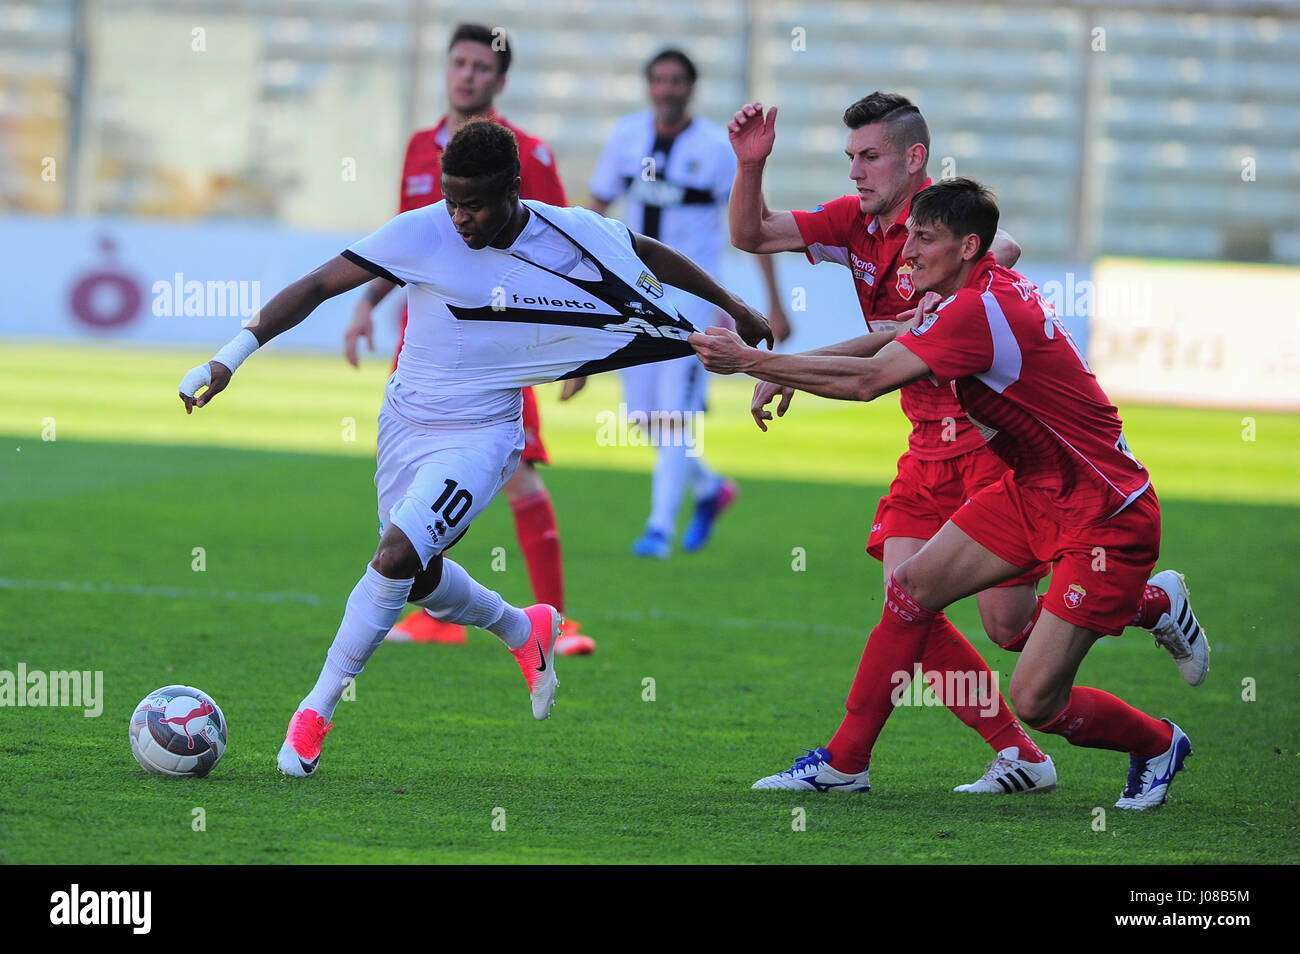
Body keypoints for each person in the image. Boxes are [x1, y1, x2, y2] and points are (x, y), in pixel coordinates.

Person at [178, 120, 772, 778]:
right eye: (453, 201)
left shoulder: (568, 233)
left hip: (483, 433)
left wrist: (732, 305)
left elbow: (648, 253)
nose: (461, 218)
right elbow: (318, 286)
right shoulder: (421, 230)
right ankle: (524, 628)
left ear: (514, 189)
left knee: (395, 554)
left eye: (477, 204)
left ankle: (315, 710)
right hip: (404, 422)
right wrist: (229, 357)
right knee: (416, 580)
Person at [727, 93, 1207, 795]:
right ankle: (854, 762)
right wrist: (753, 171)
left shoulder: (967, 281)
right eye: (850, 157)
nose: (857, 173)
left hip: (1040, 478)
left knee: (1018, 648)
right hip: (972, 462)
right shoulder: (890, 242)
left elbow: (875, 374)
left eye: (870, 157)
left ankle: (1143, 667)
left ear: (915, 160)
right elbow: (881, 331)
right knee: (911, 593)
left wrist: (755, 362)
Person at [343, 23, 592, 656]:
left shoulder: (528, 155)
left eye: (482, 67)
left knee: (522, 474)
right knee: (427, 483)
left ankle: (558, 620)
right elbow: (402, 247)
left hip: (501, 347)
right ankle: (434, 610)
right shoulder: (418, 148)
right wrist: (366, 304)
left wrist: (577, 346)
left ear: (500, 81)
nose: (468, 75)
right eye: (459, 63)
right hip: (423, 350)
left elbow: (569, 250)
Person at [586, 48, 790, 559]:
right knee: (643, 417)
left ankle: (658, 529)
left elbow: (752, 224)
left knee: (674, 412)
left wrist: (771, 300)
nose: (667, 89)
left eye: (676, 80)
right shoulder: (626, 137)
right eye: (658, 79)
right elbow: (596, 209)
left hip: (694, 301)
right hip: (633, 294)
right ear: (649, 86)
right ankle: (709, 488)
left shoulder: (715, 149)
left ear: (690, 88)